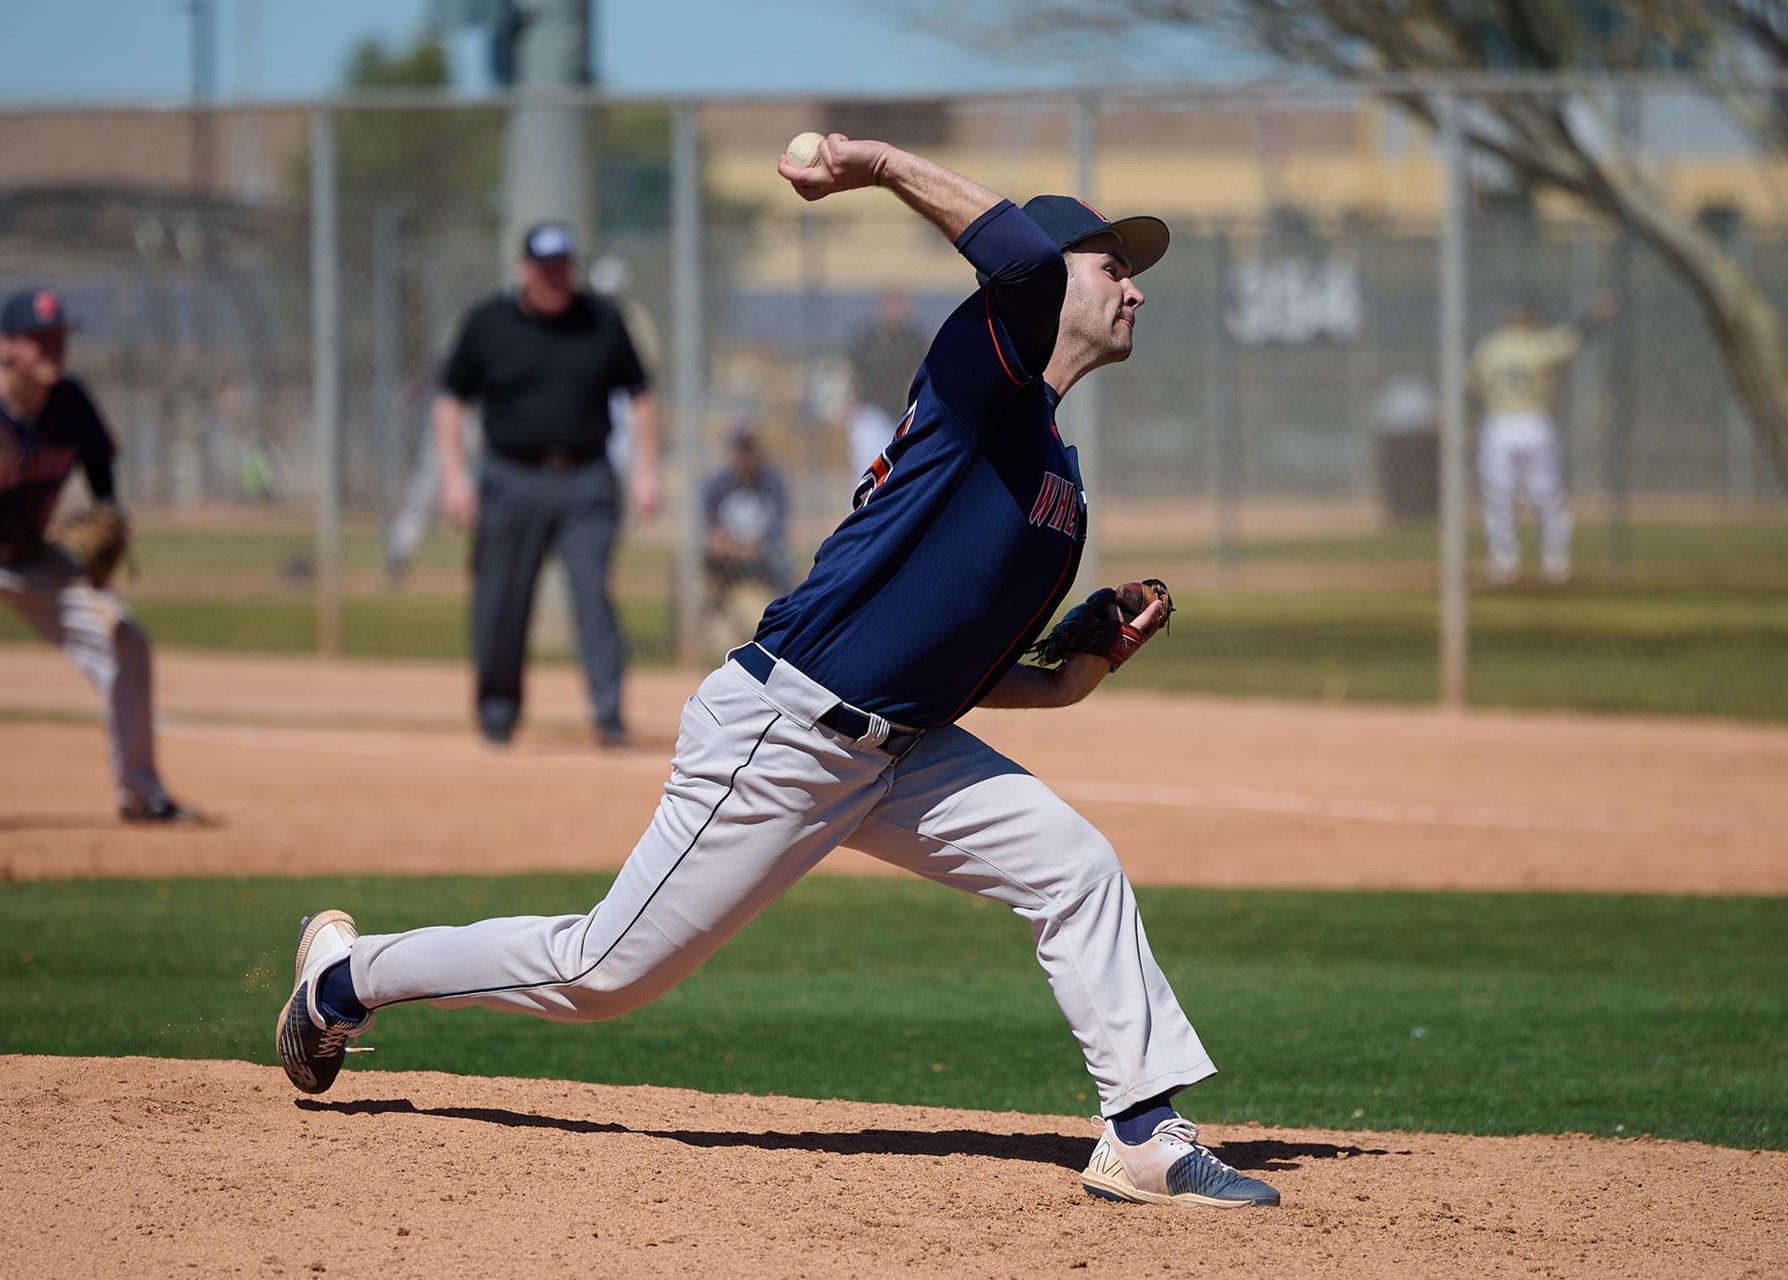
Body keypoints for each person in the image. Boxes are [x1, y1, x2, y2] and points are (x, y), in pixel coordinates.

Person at [274, 135, 1280, 1211]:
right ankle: (344, 979)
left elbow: (973, 673)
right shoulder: (980, 374)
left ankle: (1141, 1133)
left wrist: (1078, 660)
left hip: (903, 748)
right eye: (1111, 265)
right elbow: (1021, 266)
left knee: (1074, 865)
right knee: (602, 974)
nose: (1132, 287)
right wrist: (873, 161)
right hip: (784, 725)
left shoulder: (1061, 491)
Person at [433, 222, 663, 747]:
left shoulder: (602, 321)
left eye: (563, 267)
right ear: (523, 270)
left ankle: (609, 716)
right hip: (510, 478)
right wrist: (454, 476)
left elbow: (640, 394)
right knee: (500, 600)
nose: (556, 278)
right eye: (545, 268)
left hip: (586, 479)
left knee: (592, 596)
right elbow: (450, 401)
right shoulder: (487, 323)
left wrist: (648, 470)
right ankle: (497, 713)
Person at [0, 288, 204, 824]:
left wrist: (109, 514)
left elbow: (98, 468)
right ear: (7, 347)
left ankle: (141, 795)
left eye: (59, 338)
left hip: (27, 557)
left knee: (124, 639)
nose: (53, 349)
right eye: (39, 340)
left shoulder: (71, 403)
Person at [1471, 291, 1617, 585]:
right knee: (1541, 495)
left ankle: (1513, 559)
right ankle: (1547, 559)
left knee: (1507, 495)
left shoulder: (1492, 347)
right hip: (1531, 423)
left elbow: (1474, 389)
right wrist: (1595, 316)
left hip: (1505, 423)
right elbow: (1575, 336)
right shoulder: (1540, 344)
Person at [701, 425, 791, 652]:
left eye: (748, 450)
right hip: (722, 582)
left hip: (758, 582)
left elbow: (770, 544)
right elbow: (711, 538)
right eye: (739, 450)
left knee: (757, 625)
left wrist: (736, 547)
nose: (743, 457)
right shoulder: (718, 486)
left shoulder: (771, 485)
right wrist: (730, 547)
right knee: (717, 644)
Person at [842, 289, 927, 487]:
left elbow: (919, 373)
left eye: (901, 304)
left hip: (903, 412)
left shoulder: (912, 339)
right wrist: (851, 405)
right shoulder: (869, 339)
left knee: (899, 468)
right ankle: (861, 511)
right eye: (892, 304)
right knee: (866, 465)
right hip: (872, 408)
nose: (897, 310)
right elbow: (855, 374)